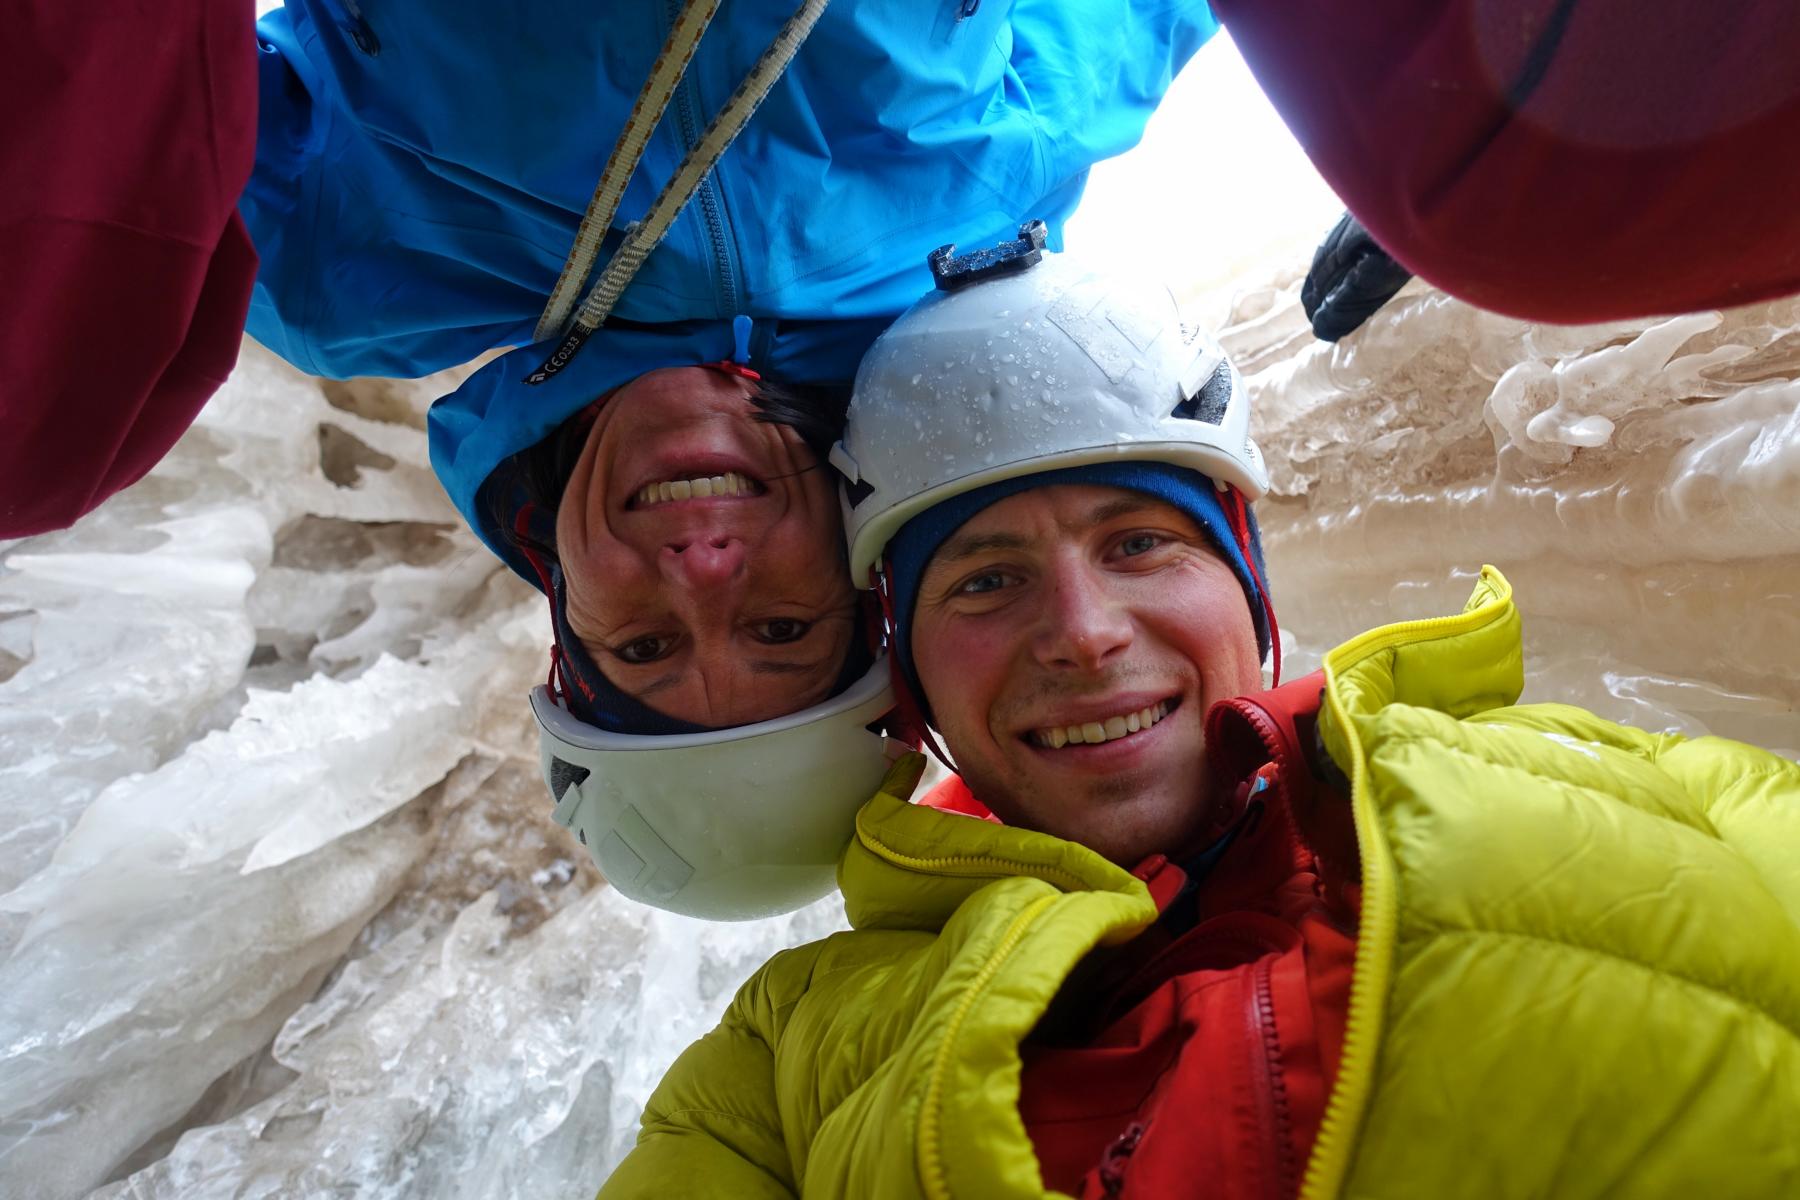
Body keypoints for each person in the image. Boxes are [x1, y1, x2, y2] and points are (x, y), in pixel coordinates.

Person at [594, 247, 1800, 1197]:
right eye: (985, 580)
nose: (1084, 630)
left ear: (1249, 589)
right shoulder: (783, 1065)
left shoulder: (1630, 784)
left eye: (1140, 544)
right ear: (909, 680)